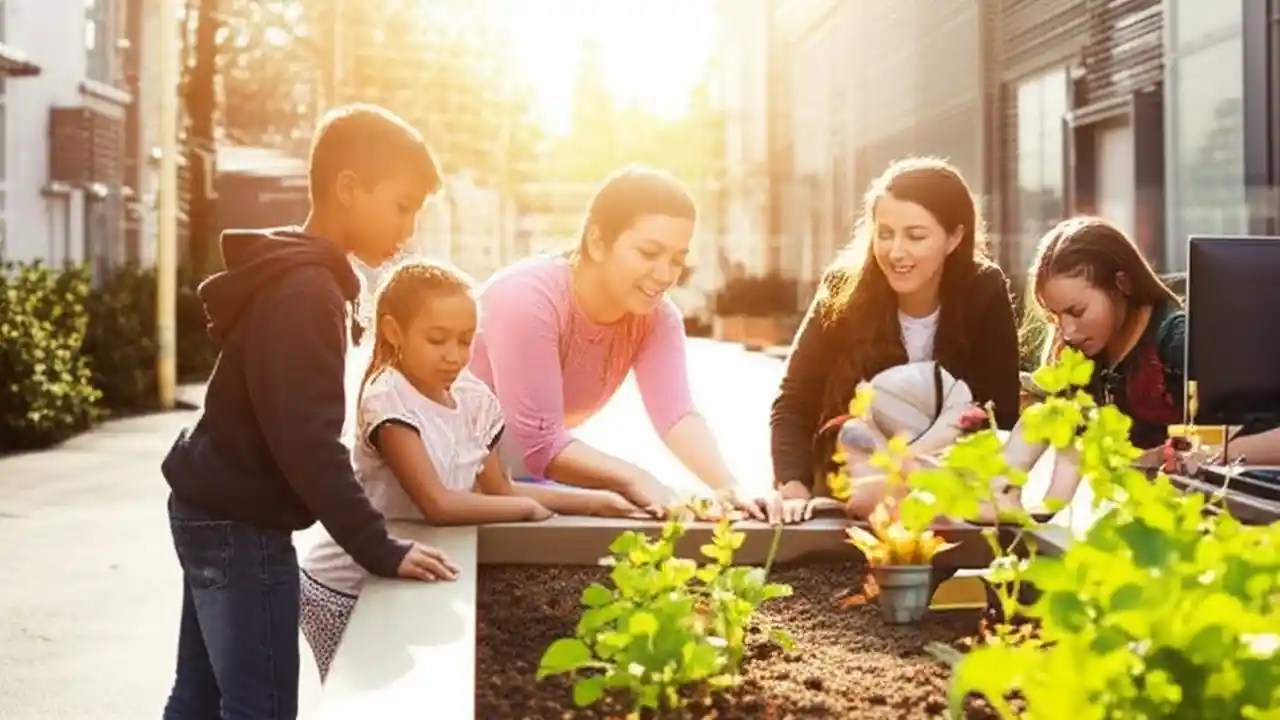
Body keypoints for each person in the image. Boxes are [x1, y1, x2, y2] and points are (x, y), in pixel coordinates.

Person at [159, 104, 458, 719]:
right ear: (349, 188)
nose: (409, 226)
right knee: (262, 708)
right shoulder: (305, 294)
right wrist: (380, 548)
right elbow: (310, 446)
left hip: (213, 510)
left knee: (199, 699)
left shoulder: (303, 280)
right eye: (402, 205)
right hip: (241, 525)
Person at [299, 259, 643, 679]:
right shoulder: (388, 397)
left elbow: (503, 491)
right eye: (437, 339)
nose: (454, 356)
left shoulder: (472, 398)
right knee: (371, 691)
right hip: (347, 584)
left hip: (415, 569)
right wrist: (526, 513)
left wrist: (599, 502)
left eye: (464, 341)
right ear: (393, 332)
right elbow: (438, 505)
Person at [469, 165, 764, 519]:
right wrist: (636, 479)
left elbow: (676, 415)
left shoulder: (656, 317)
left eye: (677, 259)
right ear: (597, 242)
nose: (664, 275)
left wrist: (729, 487)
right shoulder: (527, 299)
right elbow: (540, 443)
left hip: (519, 474)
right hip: (441, 469)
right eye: (648, 253)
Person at [769, 156, 1021, 524]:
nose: (895, 251)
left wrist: (917, 464)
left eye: (915, 236)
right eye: (884, 233)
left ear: (954, 237)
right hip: (851, 485)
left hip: (945, 491)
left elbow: (999, 413)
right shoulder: (843, 289)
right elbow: (794, 401)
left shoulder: (983, 290)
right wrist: (792, 486)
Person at [1029, 215, 1280, 461]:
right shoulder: (1082, 353)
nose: (1067, 331)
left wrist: (1208, 455)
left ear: (1122, 283)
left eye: (1077, 312)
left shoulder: (1178, 343)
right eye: (1055, 315)